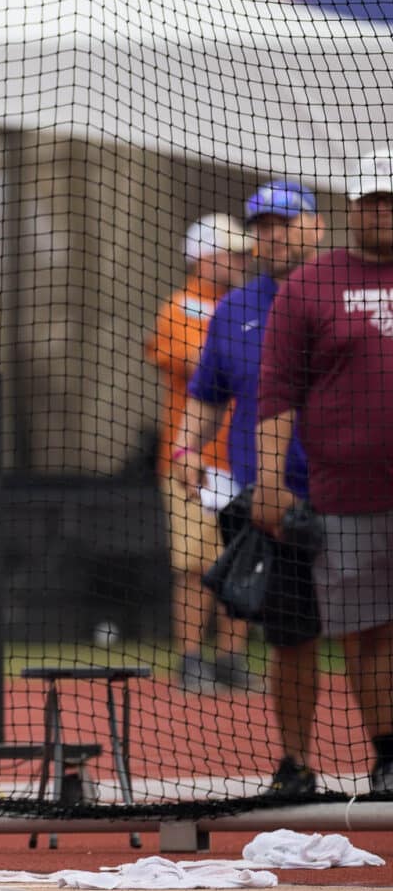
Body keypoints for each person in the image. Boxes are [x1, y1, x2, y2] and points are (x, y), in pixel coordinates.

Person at [174, 182, 324, 797]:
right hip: (271, 502)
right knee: (290, 639)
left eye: (285, 222)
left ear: (316, 225)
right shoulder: (234, 307)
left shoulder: (349, 290)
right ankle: (295, 765)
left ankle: (386, 756)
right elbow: (208, 394)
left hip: (358, 493)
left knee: (376, 635)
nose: (273, 234)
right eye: (262, 225)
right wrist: (186, 446)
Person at [254, 149, 393, 798]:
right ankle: (387, 755)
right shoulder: (312, 284)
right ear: (351, 206)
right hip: (341, 494)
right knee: (364, 632)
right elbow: (276, 390)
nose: (382, 209)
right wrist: (268, 482)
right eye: (371, 199)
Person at [147, 214, 250, 694]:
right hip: (193, 458)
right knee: (194, 565)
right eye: (232, 253)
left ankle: (231, 659)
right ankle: (190, 659)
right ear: (206, 257)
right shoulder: (181, 308)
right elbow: (199, 366)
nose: (241, 261)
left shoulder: (249, 306)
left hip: (245, 457)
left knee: (245, 558)